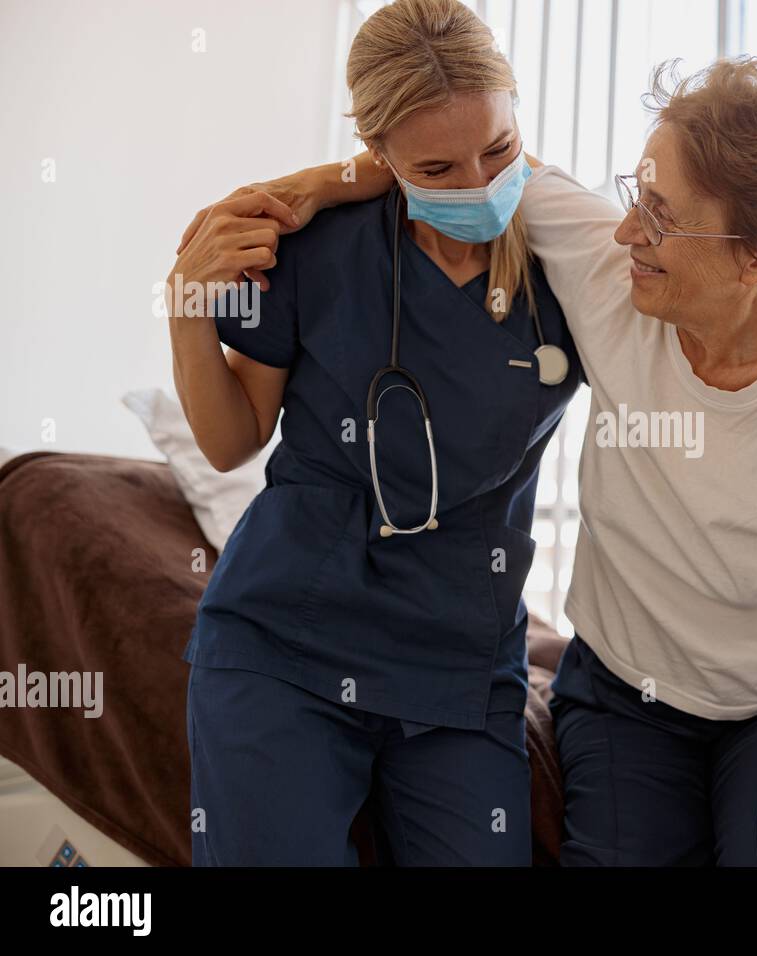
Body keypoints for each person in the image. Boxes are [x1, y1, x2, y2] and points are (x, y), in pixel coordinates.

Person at [231, 56, 757, 866]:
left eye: (663, 217)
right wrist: (324, 183)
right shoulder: (609, 269)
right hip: (625, 693)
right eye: (637, 196)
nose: (629, 230)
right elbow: (469, 163)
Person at [167, 0, 580, 865]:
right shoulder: (324, 246)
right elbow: (231, 441)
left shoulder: (569, 264)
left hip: (462, 659)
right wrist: (186, 312)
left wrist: (333, 175)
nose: (477, 186)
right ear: (380, 152)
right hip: (286, 635)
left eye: (498, 150)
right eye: (436, 164)